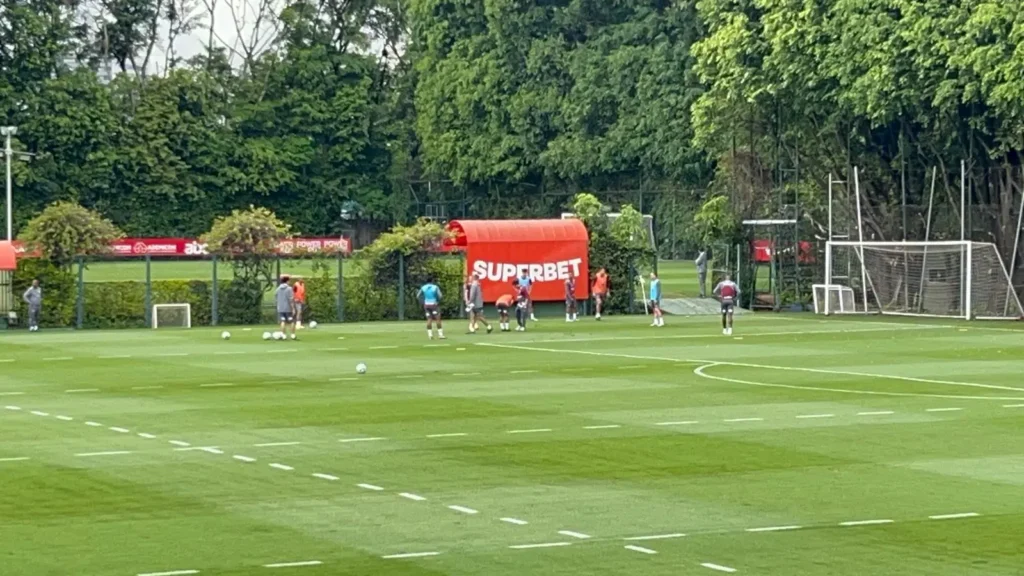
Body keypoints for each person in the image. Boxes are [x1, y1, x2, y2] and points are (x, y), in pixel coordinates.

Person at [275, 276, 298, 340]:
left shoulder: (277, 289)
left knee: (283, 321)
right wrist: (293, 308)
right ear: (287, 281)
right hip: (288, 308)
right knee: (292, 321)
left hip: (280, 308)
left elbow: (276, 298)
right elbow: (291, 299)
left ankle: (284, 335)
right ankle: (292, 335)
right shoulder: (289, 289)